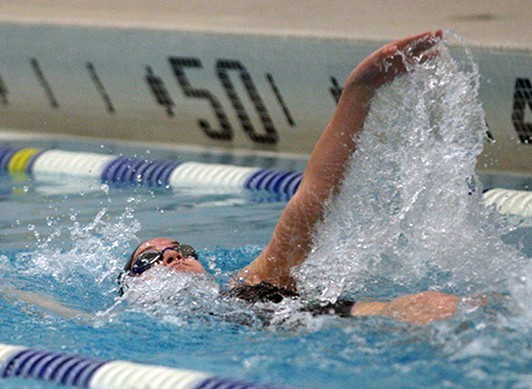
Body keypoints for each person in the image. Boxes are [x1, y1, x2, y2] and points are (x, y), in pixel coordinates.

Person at [119, 31, 463, 325]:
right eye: (147, 260)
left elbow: (310, 201)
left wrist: (359, 91)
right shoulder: (126, 324)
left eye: (181, 249)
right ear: (132, 289)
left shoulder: (249, 287)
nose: (172, 257)